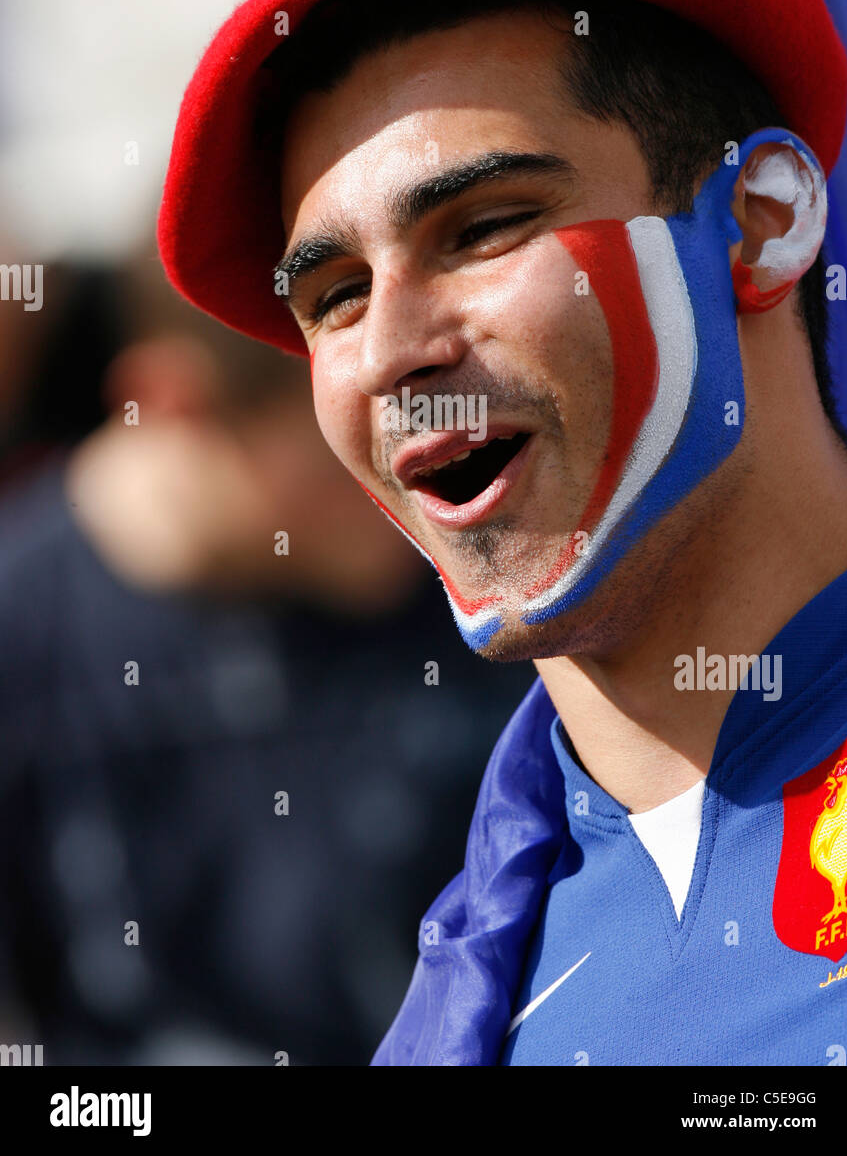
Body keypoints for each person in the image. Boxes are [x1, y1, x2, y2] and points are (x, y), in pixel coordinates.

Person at [157, 0, 847, 1065]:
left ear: (764, 218)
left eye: (482, 228)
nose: (389, 351)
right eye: (330, 297)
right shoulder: (467, 996)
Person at [0, 251, 530, 1066]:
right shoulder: (29, 636)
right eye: (337, 441)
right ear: (171, 403)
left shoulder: (479, 593)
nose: (409, 474)